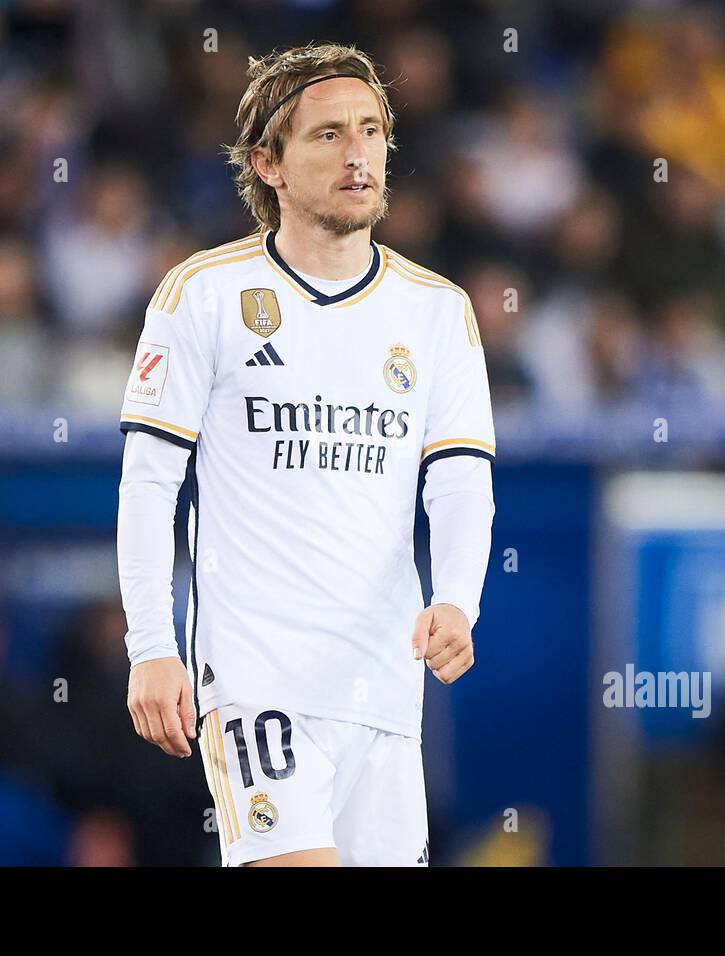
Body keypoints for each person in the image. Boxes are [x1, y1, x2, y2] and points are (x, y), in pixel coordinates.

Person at [116, 43, 496, 867]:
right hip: (258, 682)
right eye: (328, 134)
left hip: (384, 690)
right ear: (269, 164)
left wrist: (458, 600)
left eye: (371, 130)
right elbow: (149, 483)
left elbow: (461, 478)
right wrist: (151, 646)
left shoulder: (437, 310)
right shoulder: (203, 294)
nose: (358, 153)